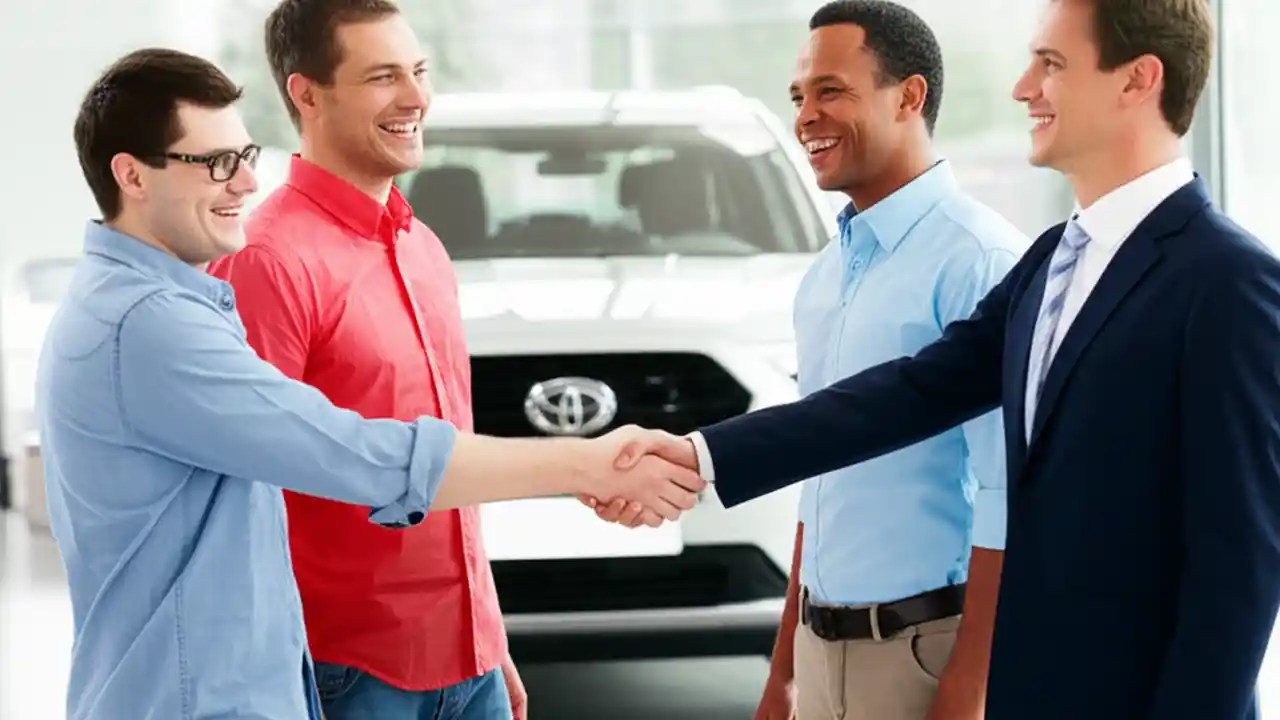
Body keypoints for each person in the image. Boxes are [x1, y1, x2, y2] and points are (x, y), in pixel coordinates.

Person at [613, 0, 1280, 718]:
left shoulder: (1230, 282)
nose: (1023, 87)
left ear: (1137, 80)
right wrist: (700, 454)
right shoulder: (1051, 261)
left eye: (1051, 64)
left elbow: (1239, 571)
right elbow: (905, 395)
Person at [41, 47, 701, 720]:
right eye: (215, 163)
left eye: (245, 156)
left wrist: (475, 626)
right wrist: (589, 462)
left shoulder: (147, 302)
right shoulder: (150, 326)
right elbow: (357, 455)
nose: (245, 182)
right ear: (132, 175)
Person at [205, 1, 526, 717]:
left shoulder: (423, 246)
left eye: (418, 71)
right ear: (307, 94)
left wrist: (489, 632)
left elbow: (450, 464)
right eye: (383, 77)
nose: (416, 98)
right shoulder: (266, 262)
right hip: (348, 673)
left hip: (470, 663)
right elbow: (244, 492)